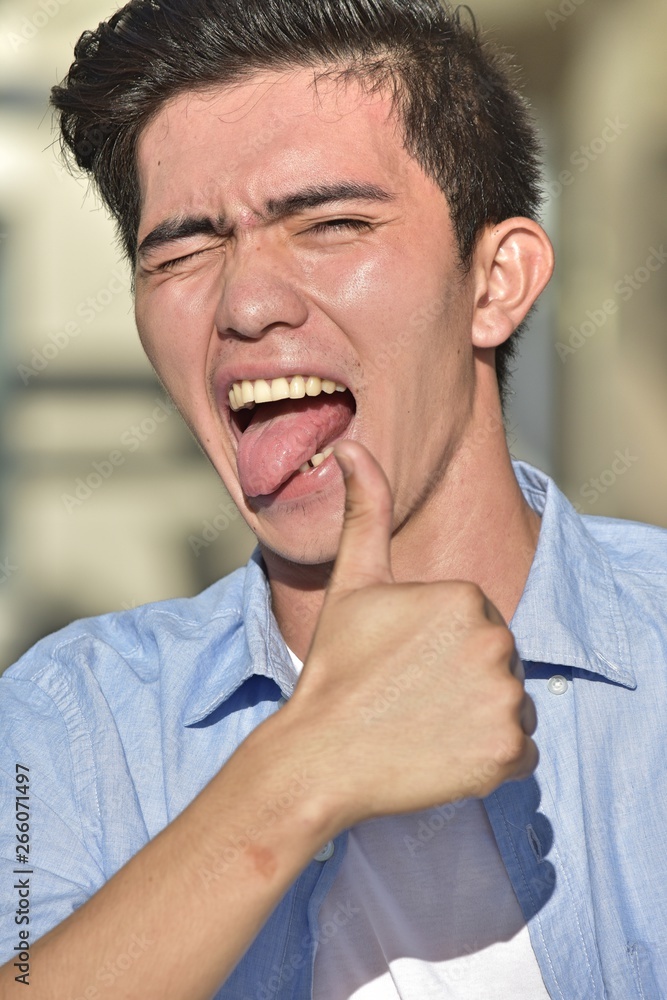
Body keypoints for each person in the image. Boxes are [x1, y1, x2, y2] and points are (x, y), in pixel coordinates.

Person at [1, 0, 666, 997]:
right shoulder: (67, 721)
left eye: (329, 224)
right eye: (180, 253)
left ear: (496, 282)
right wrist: (303, 772)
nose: (245, 303)